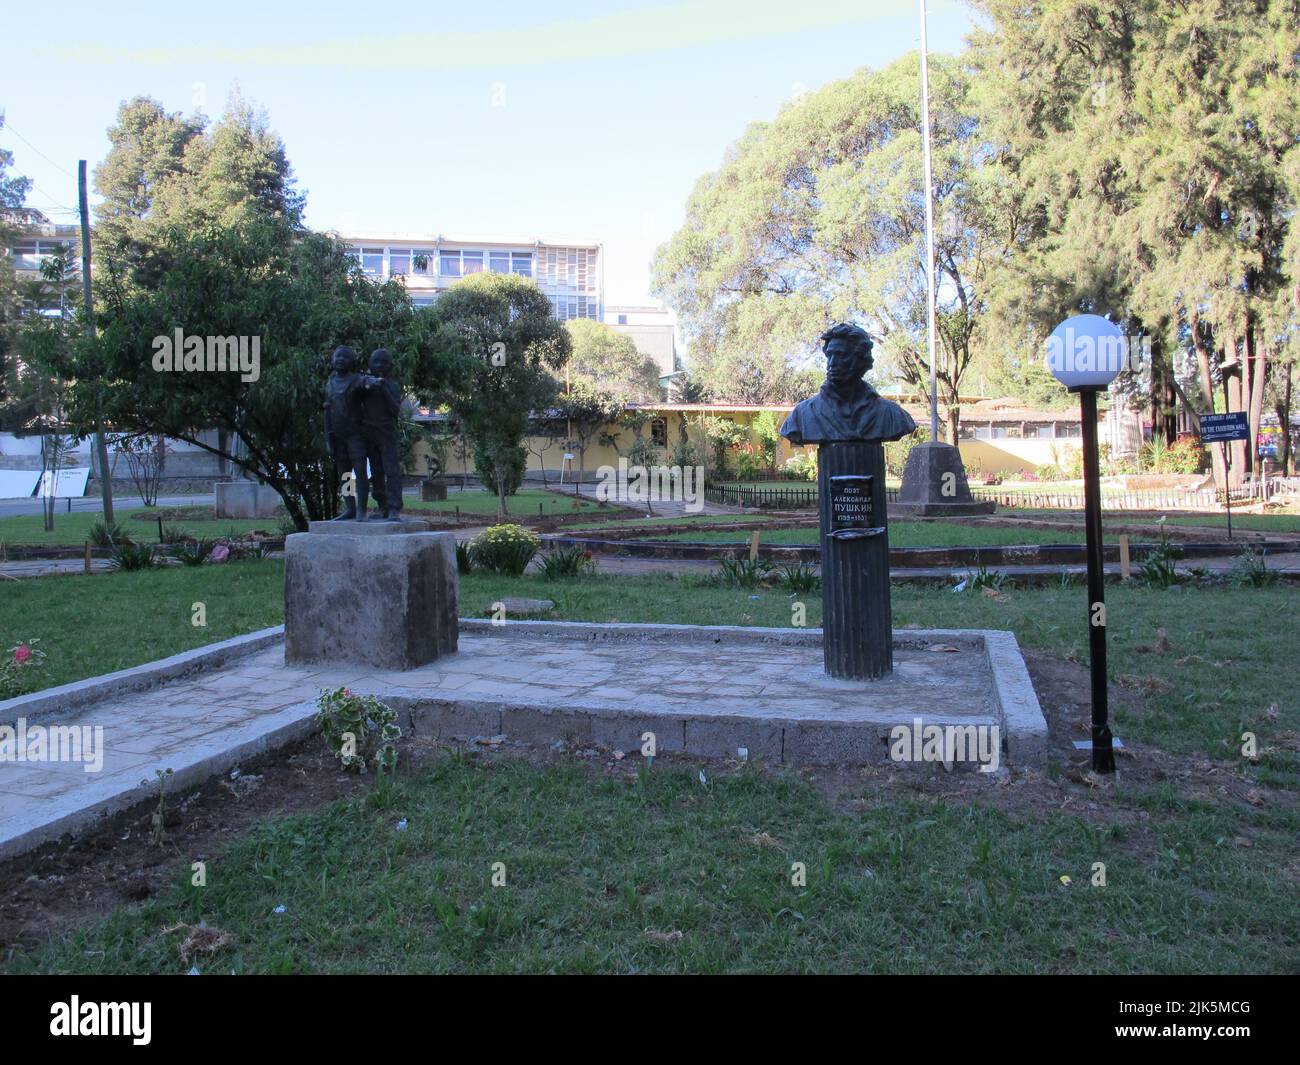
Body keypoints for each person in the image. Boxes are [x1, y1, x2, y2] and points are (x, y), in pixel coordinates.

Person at [780, 323, 916, 445]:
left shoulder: (891, 414)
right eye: (829, 356)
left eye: (841, 355)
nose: (832, 363)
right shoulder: (803, 415)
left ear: (861, 359)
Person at [323, 345, 370, 520]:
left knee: (360, 471)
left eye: (345, 356)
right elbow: (326, 412)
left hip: (355, 434)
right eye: (337, 356)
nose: (340, 359)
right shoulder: (329, 384)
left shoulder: (357, 380)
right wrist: (328, 437)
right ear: (332, 359)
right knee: (344, 474)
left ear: (351, 361)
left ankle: (361, 509)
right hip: (337, 435)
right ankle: (349, 507)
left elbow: (368, 385)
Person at [359, 348, 405, 521]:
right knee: (376, 471)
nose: (379, 365)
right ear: (370, 364)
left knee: (391, 470)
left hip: (386, 432)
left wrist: (384, 387)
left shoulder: (392, 385)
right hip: (369, 432)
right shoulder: (364, 383)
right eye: (376, 362)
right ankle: (382, 505)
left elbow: (395, 410)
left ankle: (394, 507)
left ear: (390, 366)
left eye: (384, 362)